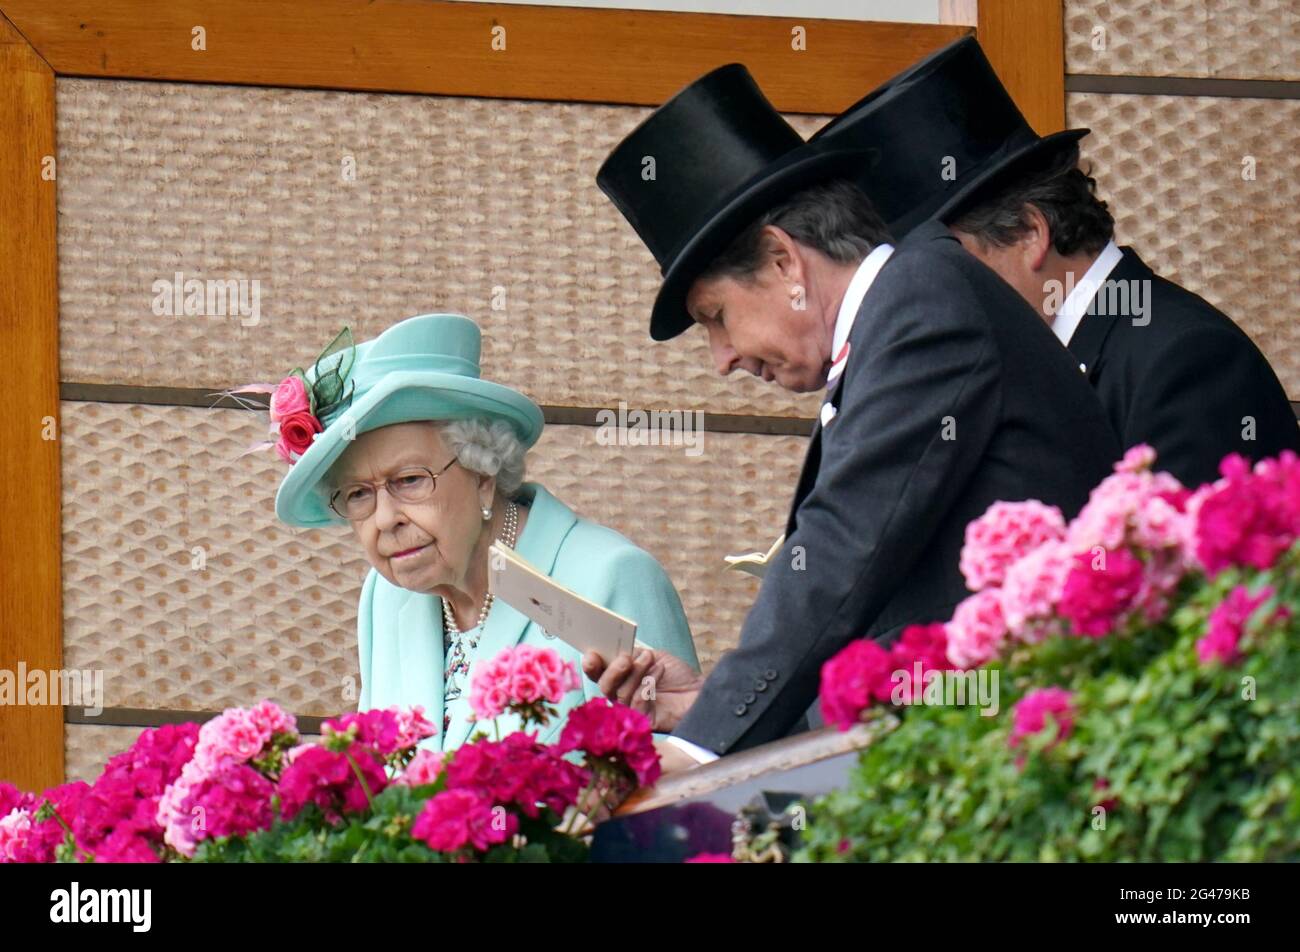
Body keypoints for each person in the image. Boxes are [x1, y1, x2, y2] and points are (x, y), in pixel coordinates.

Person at [587, 64, 1122, 771]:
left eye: (716, 318)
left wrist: (696, 749)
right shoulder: (906, 308)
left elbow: (842, 552)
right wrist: (708, 699)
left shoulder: (922, 301)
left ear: (784, 262)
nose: (722, 358)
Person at [807, 36, 1299, 488]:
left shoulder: (1186, 359)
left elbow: (1194, 576)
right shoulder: (1032, 360)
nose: (926, 298)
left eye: (941, 266)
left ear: (1028, 232)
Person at [247, 312, 699, 753]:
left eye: (409, 481)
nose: (385, 519)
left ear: (482, 471)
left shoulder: (610, 578)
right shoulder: (386, 598)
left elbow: (670, 795)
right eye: (358, 494)